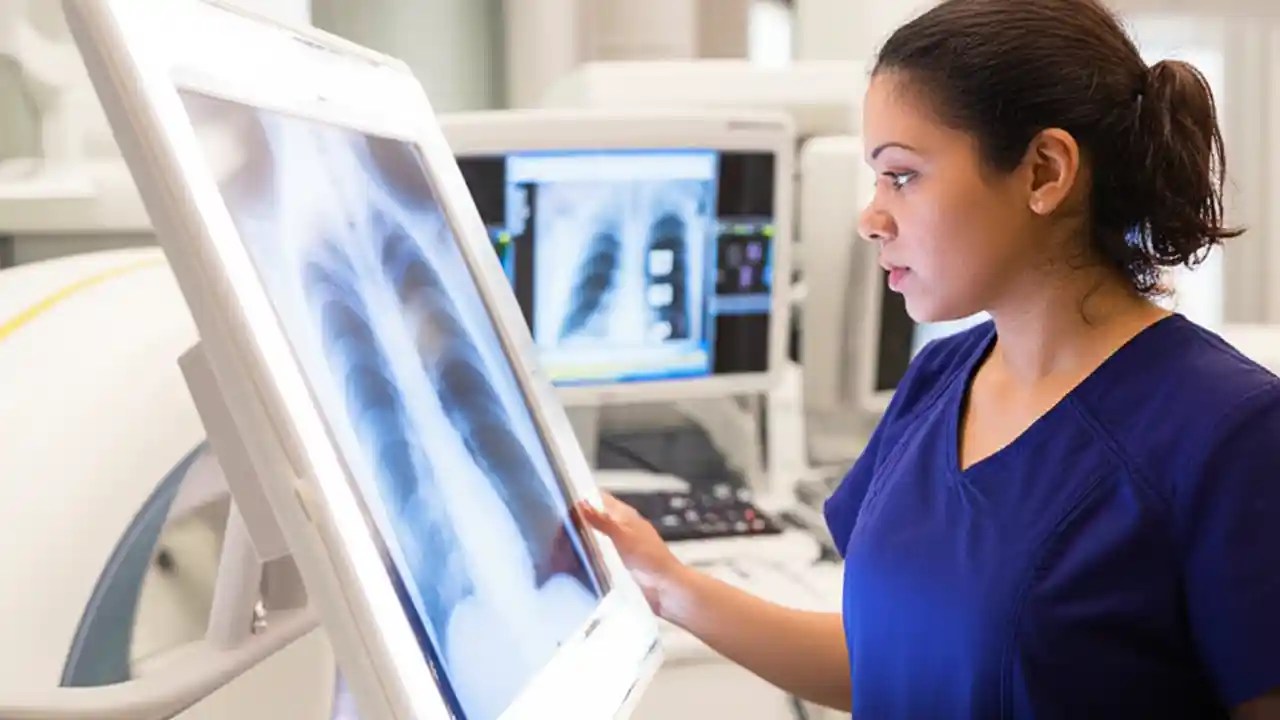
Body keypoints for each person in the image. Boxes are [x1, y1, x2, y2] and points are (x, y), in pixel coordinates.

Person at [577, 0, 1280, 717]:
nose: (870, 216)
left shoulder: (1231, 433)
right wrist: (664, 584)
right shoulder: (942, 381)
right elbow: (888, 658)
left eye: (902, 175)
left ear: (1044, 170)